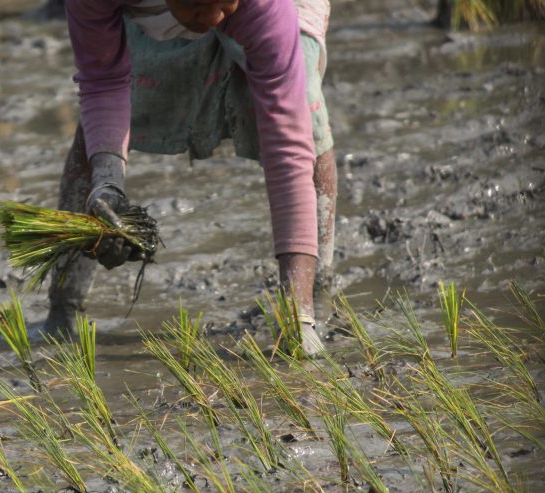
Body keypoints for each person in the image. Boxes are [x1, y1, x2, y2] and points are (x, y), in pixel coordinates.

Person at [45, 0, 336, 356]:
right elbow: (103, 81)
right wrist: (107, 183)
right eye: (200, 7)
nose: (213, 20)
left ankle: (312, 301)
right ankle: (63, 305)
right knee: (96, 136)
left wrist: (298, 316)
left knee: (306, 109)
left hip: (270, 12)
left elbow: (287, 139)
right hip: (150, 13)